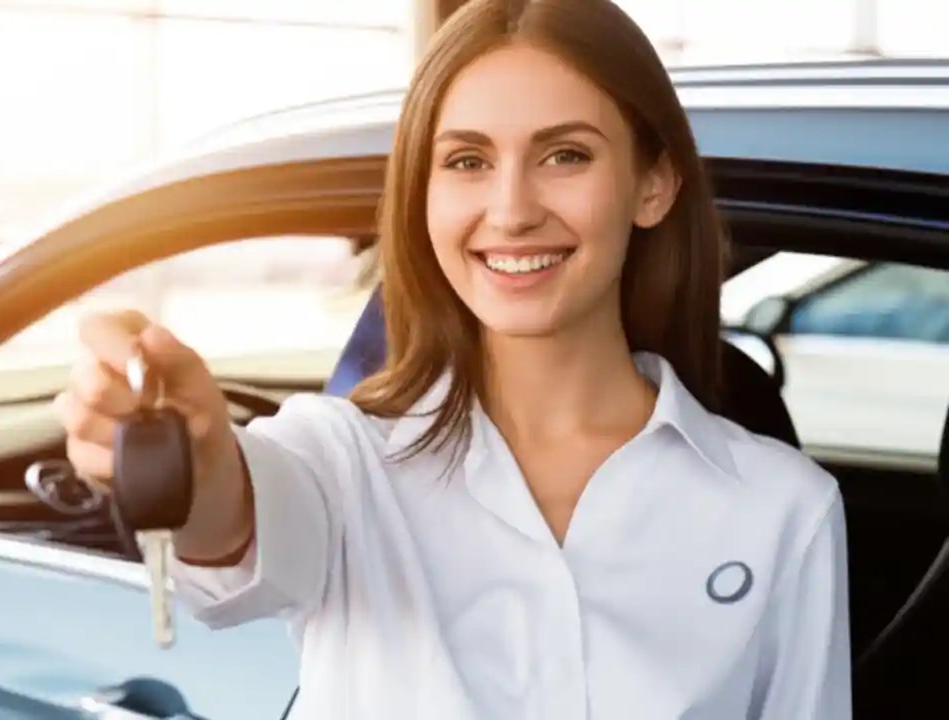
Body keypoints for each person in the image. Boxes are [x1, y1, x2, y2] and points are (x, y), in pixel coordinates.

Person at [53, 0, 851, 717]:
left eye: (565, 155)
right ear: (423, 195)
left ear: (653, 184)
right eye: (467, 161)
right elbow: (231, 517)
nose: (512, 211)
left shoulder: (785, 511)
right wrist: (192, 453)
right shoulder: (343, 460)